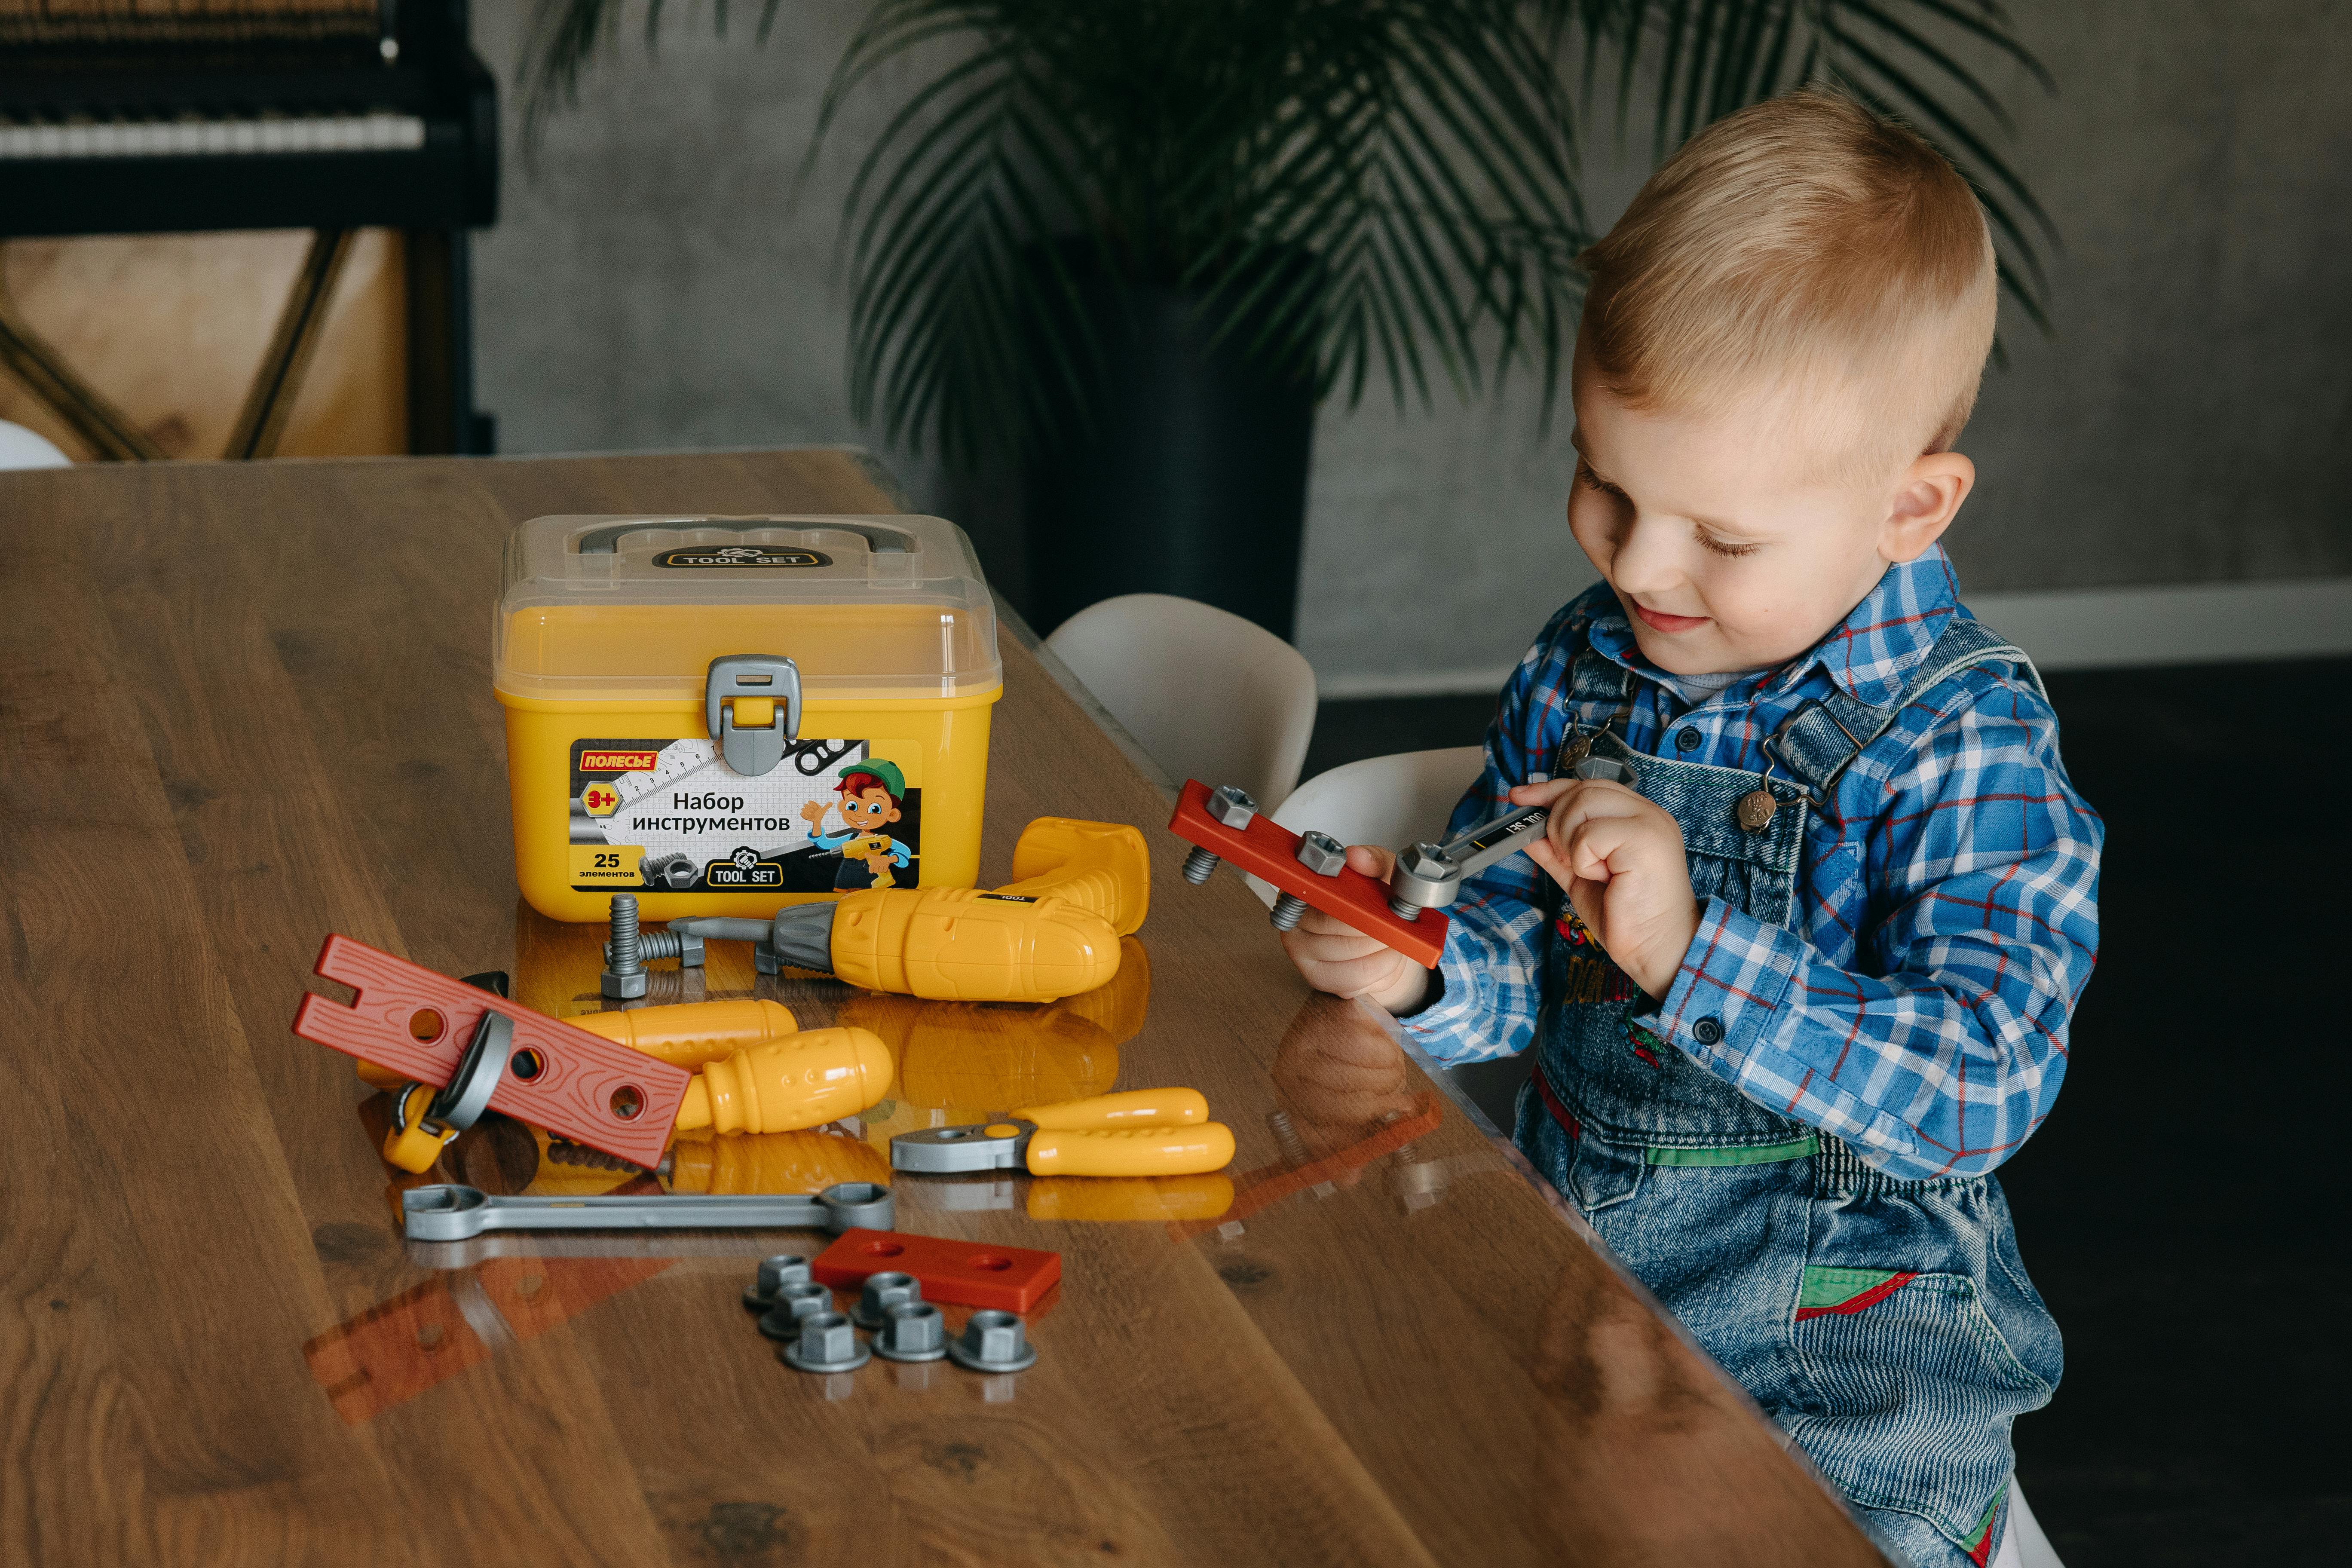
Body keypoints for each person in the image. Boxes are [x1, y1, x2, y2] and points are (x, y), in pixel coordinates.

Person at [1281, 90, 2101, 1568]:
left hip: (1850, 1375)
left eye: (1723, 538)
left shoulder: (1959, 735)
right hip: (1574, 1295)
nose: (1639, 562)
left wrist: (1686, 949)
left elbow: (1983, 1080)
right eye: (1605, 482)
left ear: (1911, 507)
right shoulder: (1583, 664)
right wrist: (1414, 966)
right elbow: (1510, 937)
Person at [799, 758, 913, 889]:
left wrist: (887, 860)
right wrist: (817, 822)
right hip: (845, 885)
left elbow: (905, 853)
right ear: (842, 806)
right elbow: (825, 843)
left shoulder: (882, 841)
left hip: (870, 887)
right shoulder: (852, 839)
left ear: (892, 815)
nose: (859, 814)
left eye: (874, 809)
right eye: (852, 806)